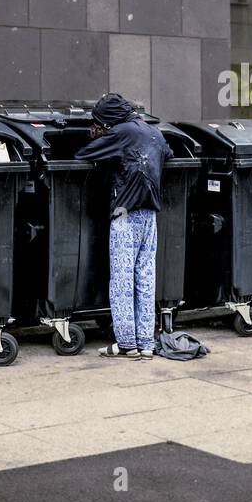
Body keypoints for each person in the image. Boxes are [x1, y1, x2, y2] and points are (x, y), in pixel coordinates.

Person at [74, 93, 173, 360]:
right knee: (145, 277)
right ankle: (146, 344)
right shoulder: (152, 131)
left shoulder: (121, 132)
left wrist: (99, 138)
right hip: (149, 215)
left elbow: (84, 154)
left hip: (125, 215)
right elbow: (168, 154)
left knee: (121, 279)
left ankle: (127, 343)